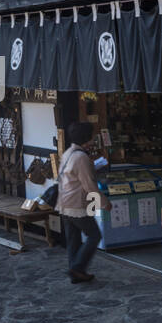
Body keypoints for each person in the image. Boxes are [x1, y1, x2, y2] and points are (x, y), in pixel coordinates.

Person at [55, 121, 110, 284]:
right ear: (87, 138)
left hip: (64, 202)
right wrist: (104, 203)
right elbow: (89, 184)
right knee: (94, 235)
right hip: (76, 204)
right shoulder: (81, 157)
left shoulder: (68, 153)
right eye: (92, 136)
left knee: (73, 239)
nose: (93, 139)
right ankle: (78, 268)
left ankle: (75, 271)